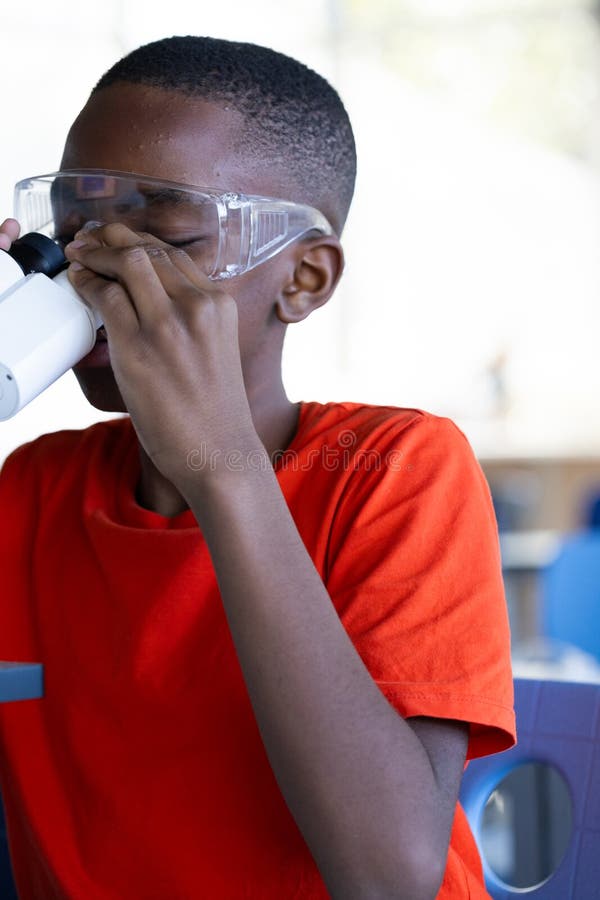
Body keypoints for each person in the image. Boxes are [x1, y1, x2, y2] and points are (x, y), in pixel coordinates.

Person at [0, 36, 515, 900]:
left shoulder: (395, 469)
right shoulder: (32, 489)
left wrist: (221, 466)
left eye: (163, 238)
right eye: (72, 231)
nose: (94, 272)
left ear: (303, 278)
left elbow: (388, 878)